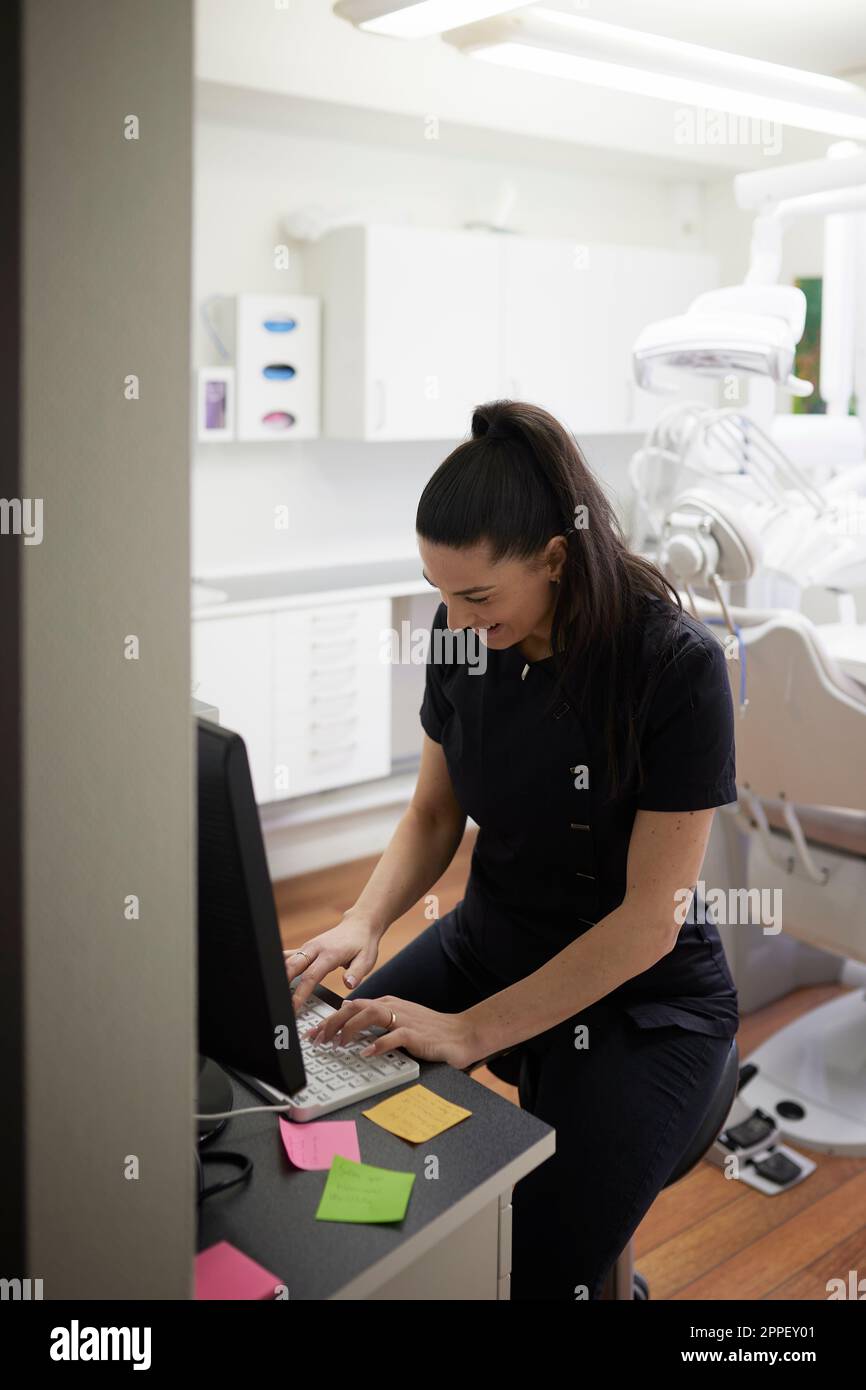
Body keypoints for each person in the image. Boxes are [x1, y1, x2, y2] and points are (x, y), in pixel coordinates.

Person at [285, 399, 739, 1301]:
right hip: (491, 937)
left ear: (556, 558)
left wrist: (469, 1030)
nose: (453, 618)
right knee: (314, 1098)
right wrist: (362, 923)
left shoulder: (675, 666)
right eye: (440, 590)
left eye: (479, 596)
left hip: (643, 997)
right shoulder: (463, 636)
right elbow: (431, 816)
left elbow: (651, 922)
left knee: (530, 1266)